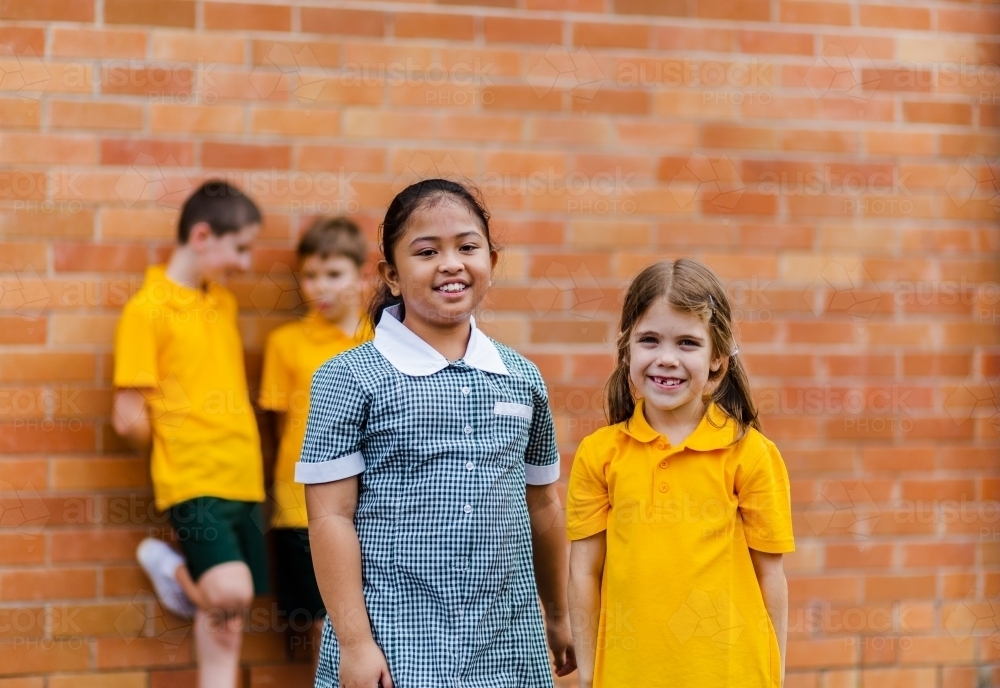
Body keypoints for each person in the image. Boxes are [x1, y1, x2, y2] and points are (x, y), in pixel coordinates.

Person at [297, 179, 576, 688]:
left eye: (467, 247)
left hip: (508, 644)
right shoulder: (348, 378)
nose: (451, 263)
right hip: (397, 642)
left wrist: (558, 616)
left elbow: (544, 507)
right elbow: (329, 517)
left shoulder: (522, 377)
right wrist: (356, 645)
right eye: (427, 252)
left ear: (491, 260)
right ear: (392, 275)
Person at [566, 259, 794, 688]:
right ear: (626, 350)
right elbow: (583, 574)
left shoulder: (751, 454)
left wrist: (775, 677)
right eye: (649, 340)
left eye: (688, 343)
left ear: (717, 361)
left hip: (732, 674)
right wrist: (589, 675)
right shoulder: (599, 454)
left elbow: (771, 576)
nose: (666, 359)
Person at [112, 180, 268, 688]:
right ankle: (172, 571)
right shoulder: (147, 308)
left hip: (243, 478)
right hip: (194, 479)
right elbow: (128, 417)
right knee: (229, 591)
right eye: (240, 247)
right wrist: (178, 445)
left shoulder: (221, 303)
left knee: (228, 622)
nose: (245, 263)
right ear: (203, 235)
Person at [258, 216, 372, 666]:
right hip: (302, 507)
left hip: (373, 504)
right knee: (329, 628)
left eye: (333, 274)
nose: (318, 287)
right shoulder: (287, 343)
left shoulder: (384, 338)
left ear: (363, 275)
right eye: (309, 275)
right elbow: (281, 425)